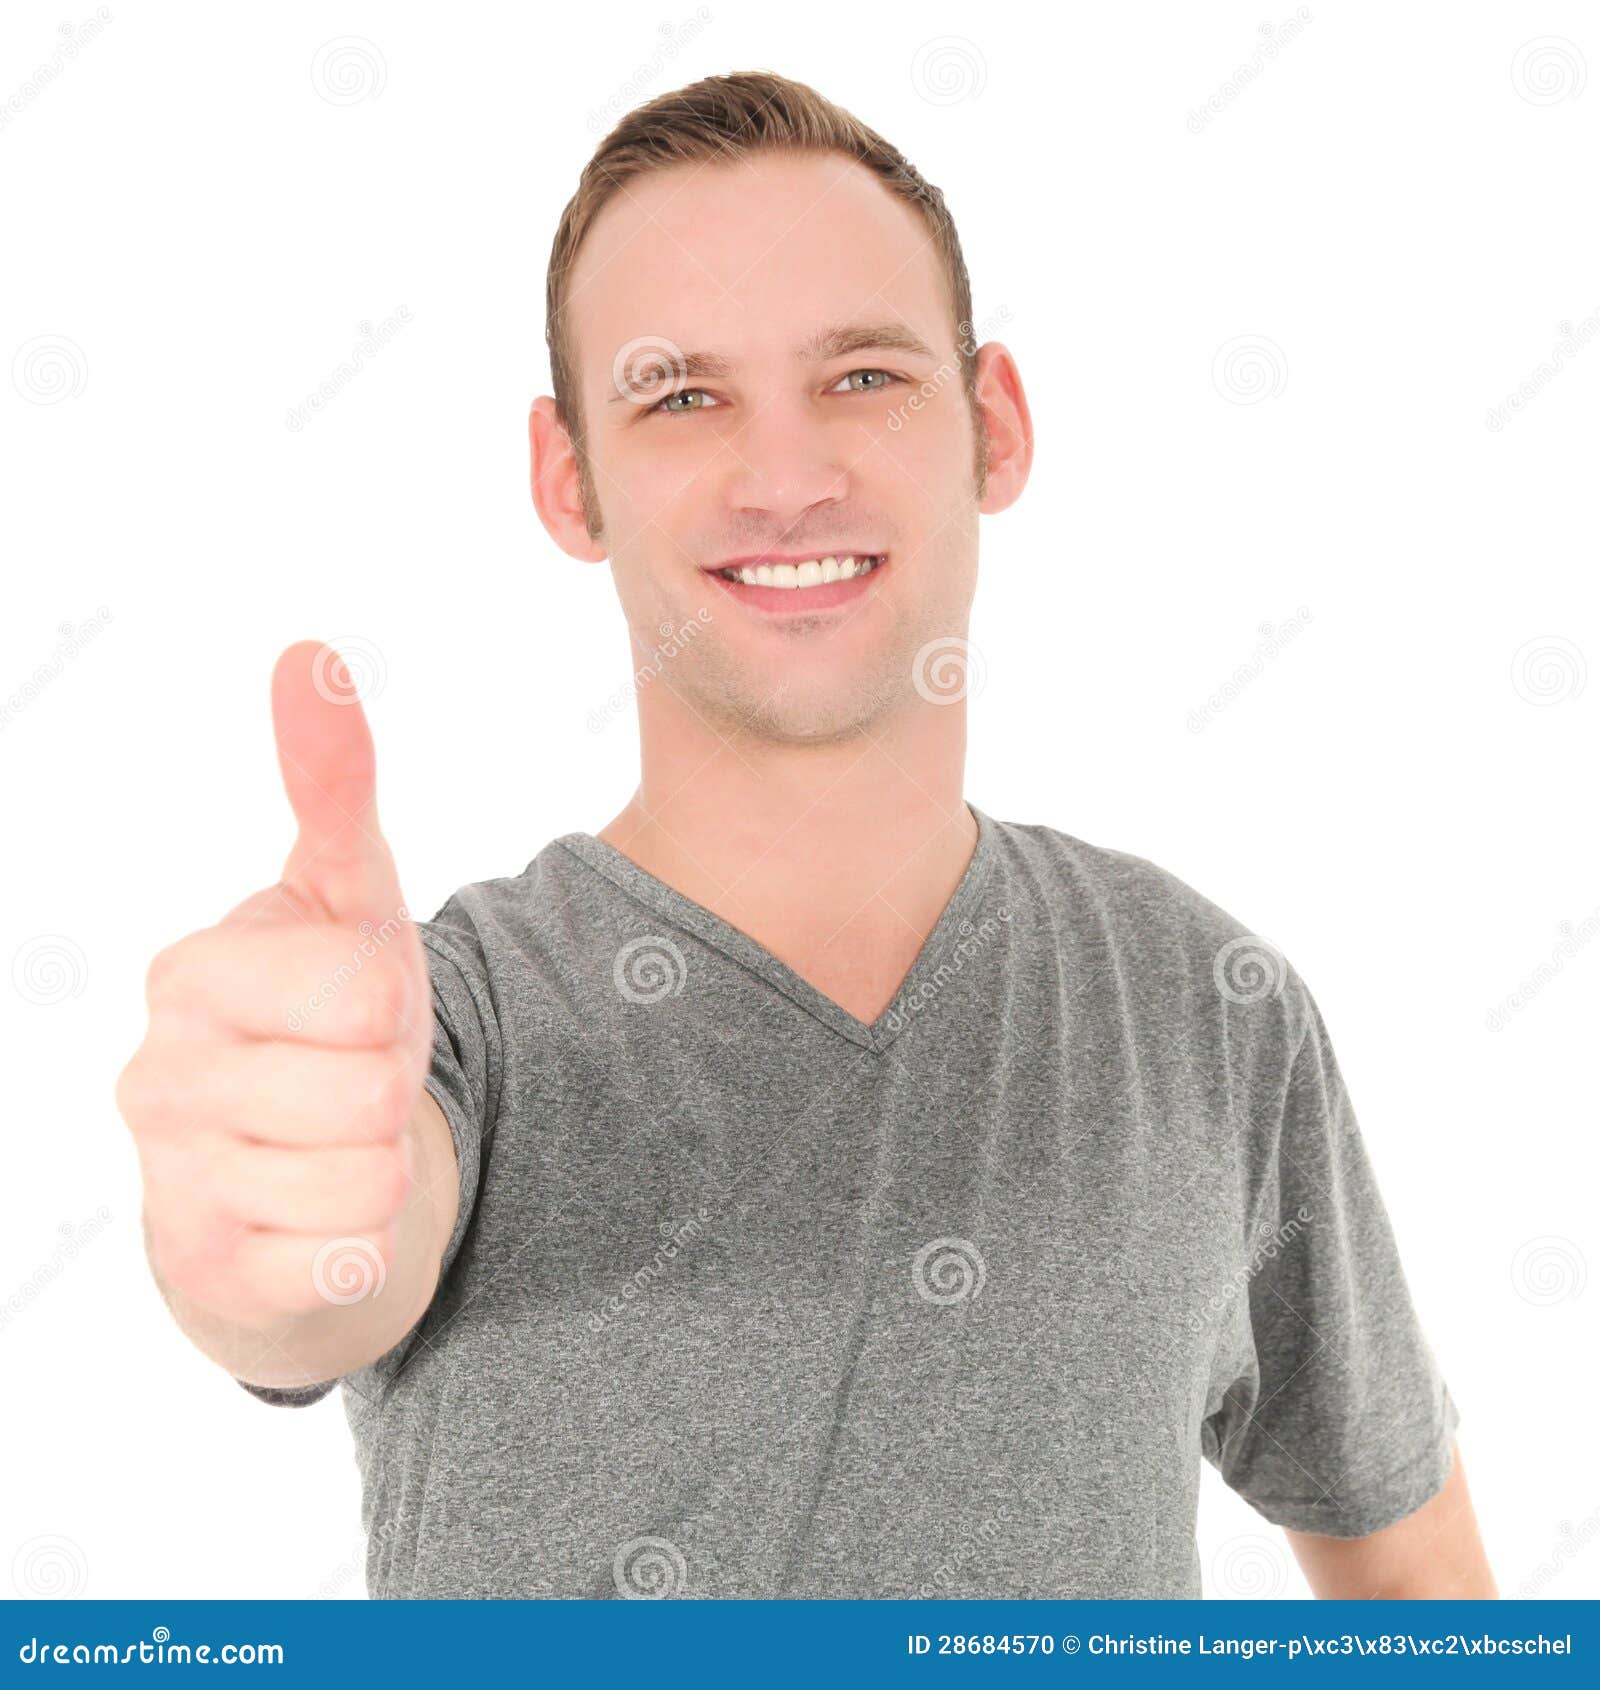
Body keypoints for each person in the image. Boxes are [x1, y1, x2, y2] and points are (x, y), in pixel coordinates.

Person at [115, 71, 1494, 1601]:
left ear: (994, 426)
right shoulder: (450, 1023)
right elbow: (319, 1275)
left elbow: (1425, 1603)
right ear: (570, 480)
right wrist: (271, 1233)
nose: (785, 480)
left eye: (862, 375)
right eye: (680, 396)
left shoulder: (1205, 1009)